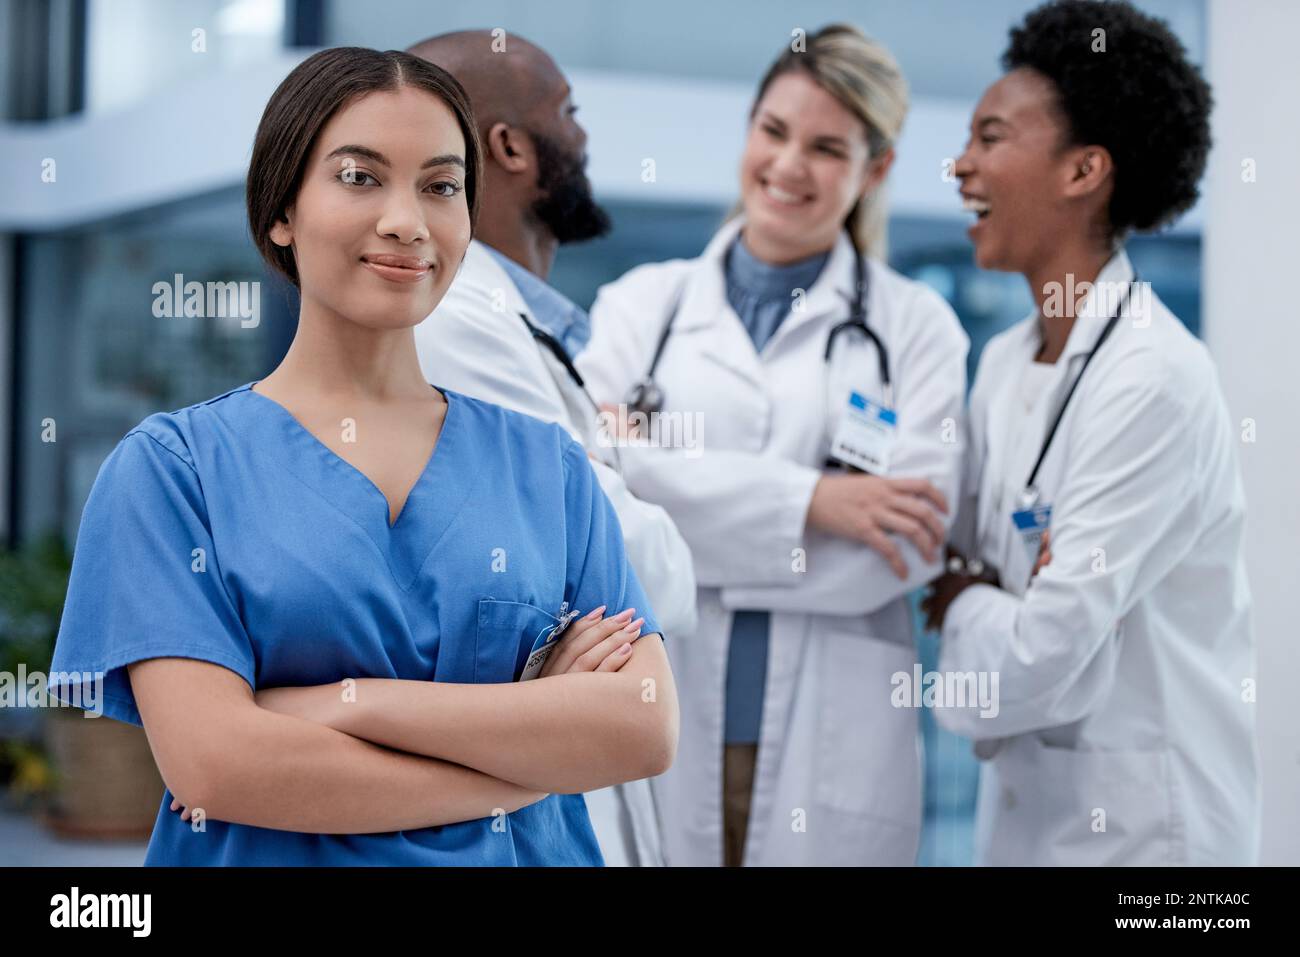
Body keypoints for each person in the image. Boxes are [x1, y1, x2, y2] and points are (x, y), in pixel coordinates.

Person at [46, 46, 677, 866]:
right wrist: (526, 763)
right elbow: (219, 765)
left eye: (442, 186)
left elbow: (641, 724)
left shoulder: (547, 468)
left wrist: (348, 704)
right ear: (281, 212)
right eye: (359, 177)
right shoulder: (174, 472)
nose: (408, 221)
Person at [578, 24, 968, 866]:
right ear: (748, 129)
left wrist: (669, 491)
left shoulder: (915, 327)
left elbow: (905, 544)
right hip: (662, 708)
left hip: (834, 733)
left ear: (878, 169)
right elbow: (592, 501)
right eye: (774, 130)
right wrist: (817, 503)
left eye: (828, 147)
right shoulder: (642, 308)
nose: (789, 165)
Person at [922, 0, 1258, 865]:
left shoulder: (1153, 379)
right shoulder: (1002, 360)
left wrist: (974, 602)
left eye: (991, 138)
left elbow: (1045, 652)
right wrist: (1003, 598)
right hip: (1034, 817)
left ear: (1084, 171)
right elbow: (961, 567)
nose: (960, 166)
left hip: (1156, 843)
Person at [404, 30, 698, 866]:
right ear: (511, 146)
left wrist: (609, 473)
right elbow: (648, 574)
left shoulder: (517, 321)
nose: (585, 135)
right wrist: (620, 484)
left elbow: (597, 539)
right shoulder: (459, 317)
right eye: (568, 111)